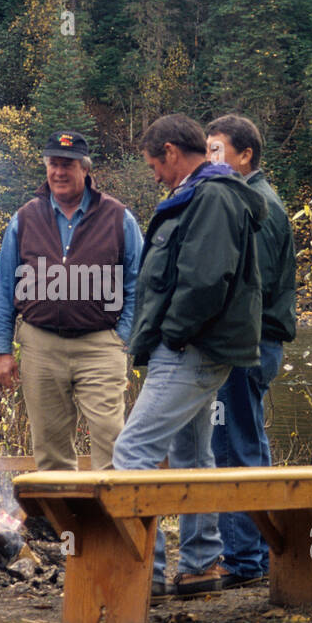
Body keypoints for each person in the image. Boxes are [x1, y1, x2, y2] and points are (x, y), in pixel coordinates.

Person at [111, 114, 266, 597]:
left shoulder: (212, 197)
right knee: (193, 456)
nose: (155, 175)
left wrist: (173, 337)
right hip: (194, 349)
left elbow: (204, 281)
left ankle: (140, 576)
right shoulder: (203, 194)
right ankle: (199, 565)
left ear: (173, 152)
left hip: (190, 351)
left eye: (155, 164)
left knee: (132, 452)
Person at [0, 131, 143, 474]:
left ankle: (113, 527)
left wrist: (123, 337)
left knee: (113, 442)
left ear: (85, 169)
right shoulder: (24, 218)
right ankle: (65, 527)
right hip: (39, 345)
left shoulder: (119, 218)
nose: (59, 172)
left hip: (101, 345)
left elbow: (139, 284)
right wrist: (2, 350)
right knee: (50, 450)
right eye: (53, 164)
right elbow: (3, 288)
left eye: (67, 165)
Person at [205, 114, 298, 588]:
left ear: (245, 155)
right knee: (246, 442)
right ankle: (255, 554)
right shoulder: (249, 199)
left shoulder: (257, 207)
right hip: (252, 343)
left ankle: (242, 559)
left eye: (217, 150)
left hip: (247, 344)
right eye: (207, 150)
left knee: (233, 445)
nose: (209, 159)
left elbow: (246, 289)